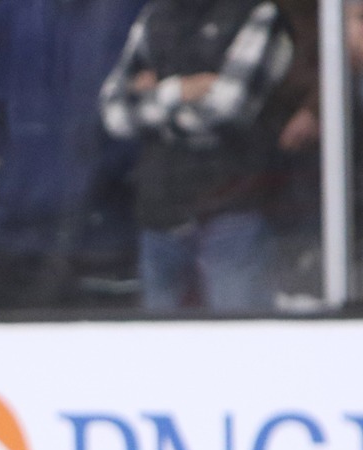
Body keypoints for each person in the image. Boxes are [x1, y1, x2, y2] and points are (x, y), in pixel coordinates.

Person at [98, 0, 295, 312]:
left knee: (240, 343)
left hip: (231, 211)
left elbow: (228, 108)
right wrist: (177, 90)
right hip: (159, 214)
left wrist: (150, 102)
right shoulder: (156, 15)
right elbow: (114, 113)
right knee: (159, 350)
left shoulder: (258, 13)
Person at [0, 0, 145, 311]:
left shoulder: (131, 9)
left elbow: (140, 105)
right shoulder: (13, 9)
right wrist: (9, 180)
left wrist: (102, 177)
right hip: (18, 229)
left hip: (104, 234)